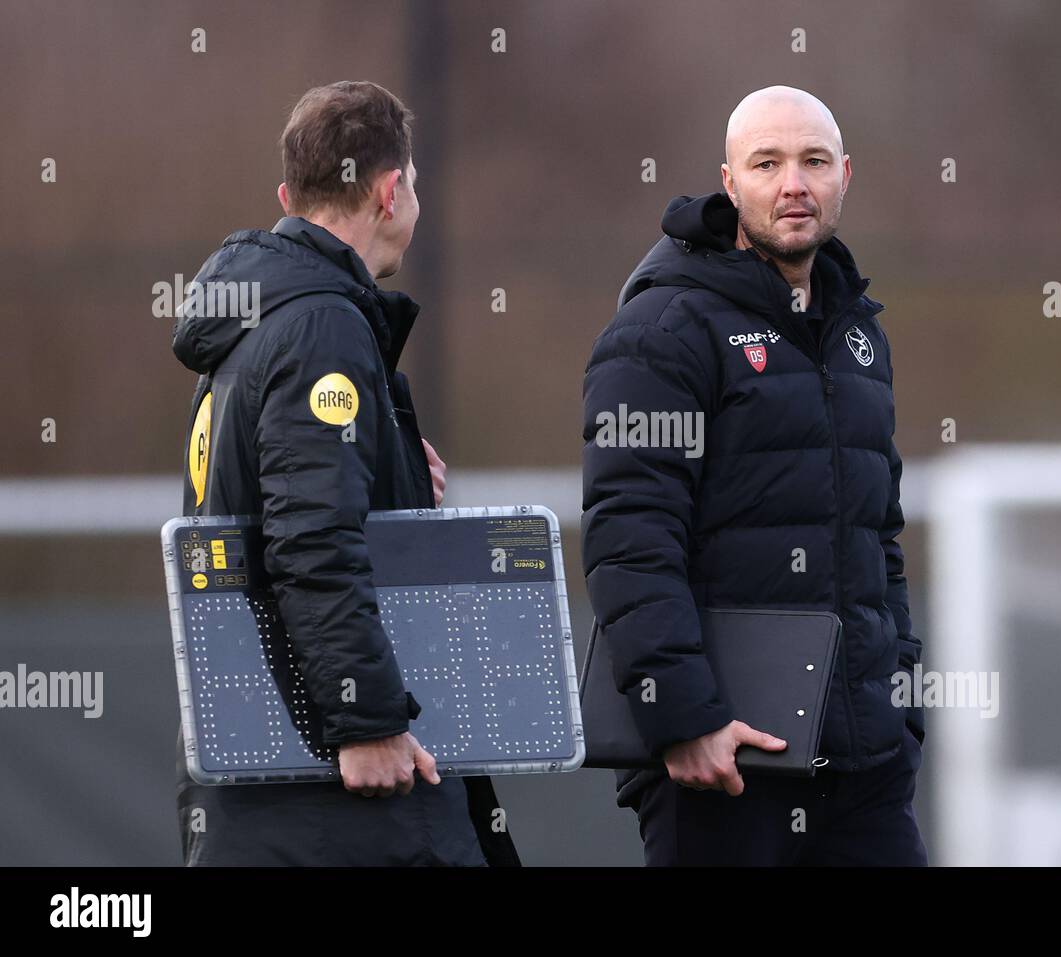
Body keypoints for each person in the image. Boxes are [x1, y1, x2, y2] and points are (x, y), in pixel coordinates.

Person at [170, 80, 518, 866]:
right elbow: (311, 541)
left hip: (268, 778)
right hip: (330, 795)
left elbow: (276, 512)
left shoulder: (252, 324)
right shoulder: (322, 324)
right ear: (391, 191)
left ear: (289, 196)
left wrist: (392, 481)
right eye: (416, 186)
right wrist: (365, 720)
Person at [581, 85, 927, 865]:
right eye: (766, 163)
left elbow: (881, 538)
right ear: (731, 185)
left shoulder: (858, 335)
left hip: (865, 766)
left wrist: (899, 704)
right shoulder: (662, 329)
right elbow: (629, 538)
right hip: (723, 768)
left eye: (812, 162)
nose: (793, 184)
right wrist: (683, 716)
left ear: (845, 175)